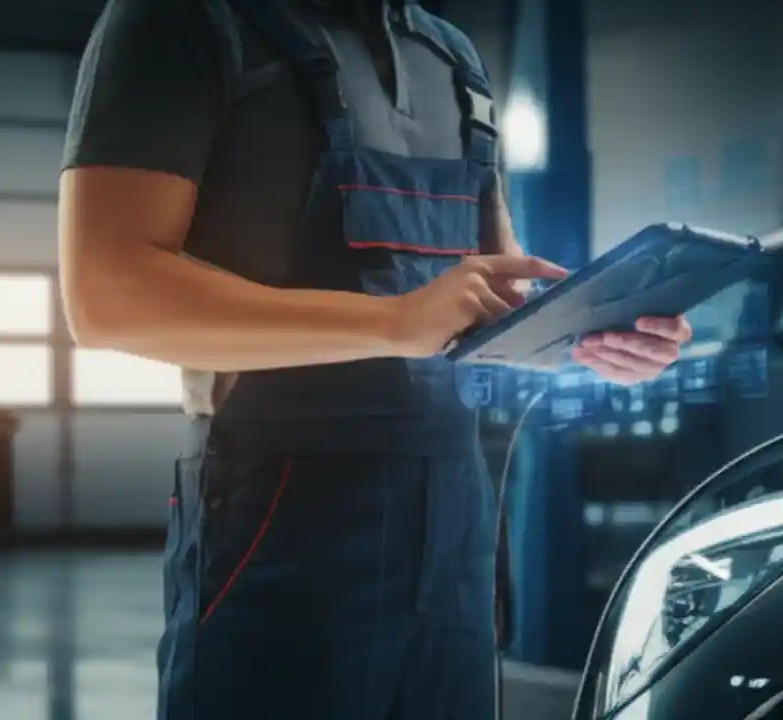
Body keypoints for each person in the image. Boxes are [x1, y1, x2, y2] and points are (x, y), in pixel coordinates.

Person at [57, 0, 691, 717]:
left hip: (456, 508)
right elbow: (106, 294)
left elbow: (493, 295)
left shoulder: (452, 55)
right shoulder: (182, 21)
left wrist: (585, 336)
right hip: (282, 507)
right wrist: (392, 322)